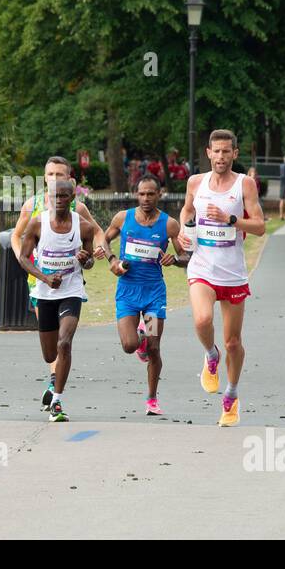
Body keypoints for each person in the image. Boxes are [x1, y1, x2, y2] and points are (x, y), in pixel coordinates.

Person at [177, 129, 266, 426]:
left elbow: (260, 227)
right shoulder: (195, 182)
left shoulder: (245, 184)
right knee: (202, 321)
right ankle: (209, 355)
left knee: (233, 342)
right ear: (208, 152)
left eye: (226, 151)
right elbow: (187, 212)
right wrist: (183, 231)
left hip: (233, 273)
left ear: (235, 154)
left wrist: (230, 219)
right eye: (216, 151)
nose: (221, 157)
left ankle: (231, 395)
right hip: (202, 267)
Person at [13, 156, 108, 406]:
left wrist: (97, 252)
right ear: (44, 177)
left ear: (70, 180)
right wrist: (25, 261)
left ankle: (55, 382)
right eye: (50, 174)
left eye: (60, 175)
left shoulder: (79, 210)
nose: (55, 179)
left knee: (63, 340)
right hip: (39, 277)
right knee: (50, 345)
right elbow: (16, 236)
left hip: (70, 281)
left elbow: (96, 232)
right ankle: (54, 370)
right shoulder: (32, 206)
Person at [103, 174, 185, 415]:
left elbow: (185, 255)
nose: (146, 198)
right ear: (136, 194)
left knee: (154, 346)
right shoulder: (123, 218)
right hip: (128, 291)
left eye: (151, 193)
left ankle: (151, 399)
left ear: (159, 195)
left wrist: (176, 259)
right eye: (142, 194)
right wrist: (113, 261)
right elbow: (104, 241)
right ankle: (138, 341)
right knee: (130, 345)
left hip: (153, 294)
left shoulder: (169, 224)